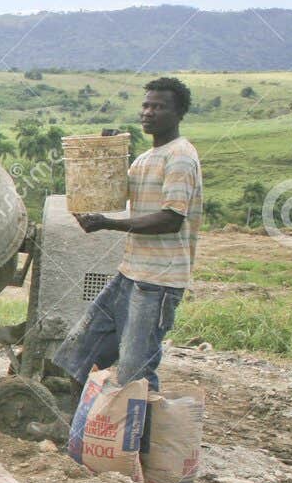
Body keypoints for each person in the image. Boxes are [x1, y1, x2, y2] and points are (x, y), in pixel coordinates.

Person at [54, 77, 201, 391]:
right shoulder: (145, 159)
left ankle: (140, 438)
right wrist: (104, 155)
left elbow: (170, 219)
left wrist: (107, 223)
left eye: (159, 107)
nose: (148, 112)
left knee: (136, 370)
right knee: (79, 352)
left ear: (179, 113)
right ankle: (82, 427)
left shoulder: (181, 157)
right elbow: (112, 193)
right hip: (131, 274)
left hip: (158, 282)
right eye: (146, 105)